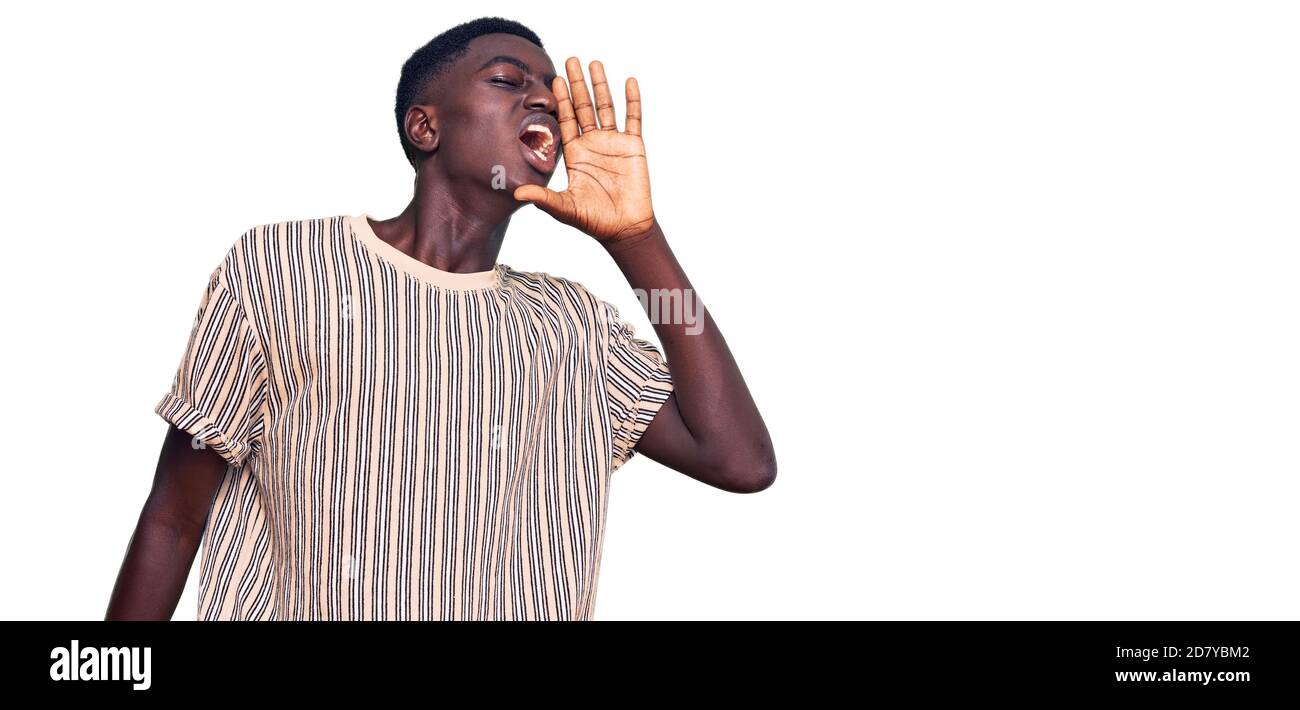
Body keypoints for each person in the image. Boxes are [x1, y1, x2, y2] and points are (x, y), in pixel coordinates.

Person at [106, 16, 775, 621]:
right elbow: (172, 518)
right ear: (425, 126)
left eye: (551, 91)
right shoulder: (281, 267)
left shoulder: (574, 328)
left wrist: (636, 240)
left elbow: (739, 460)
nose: (543, 98)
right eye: (507, 80)